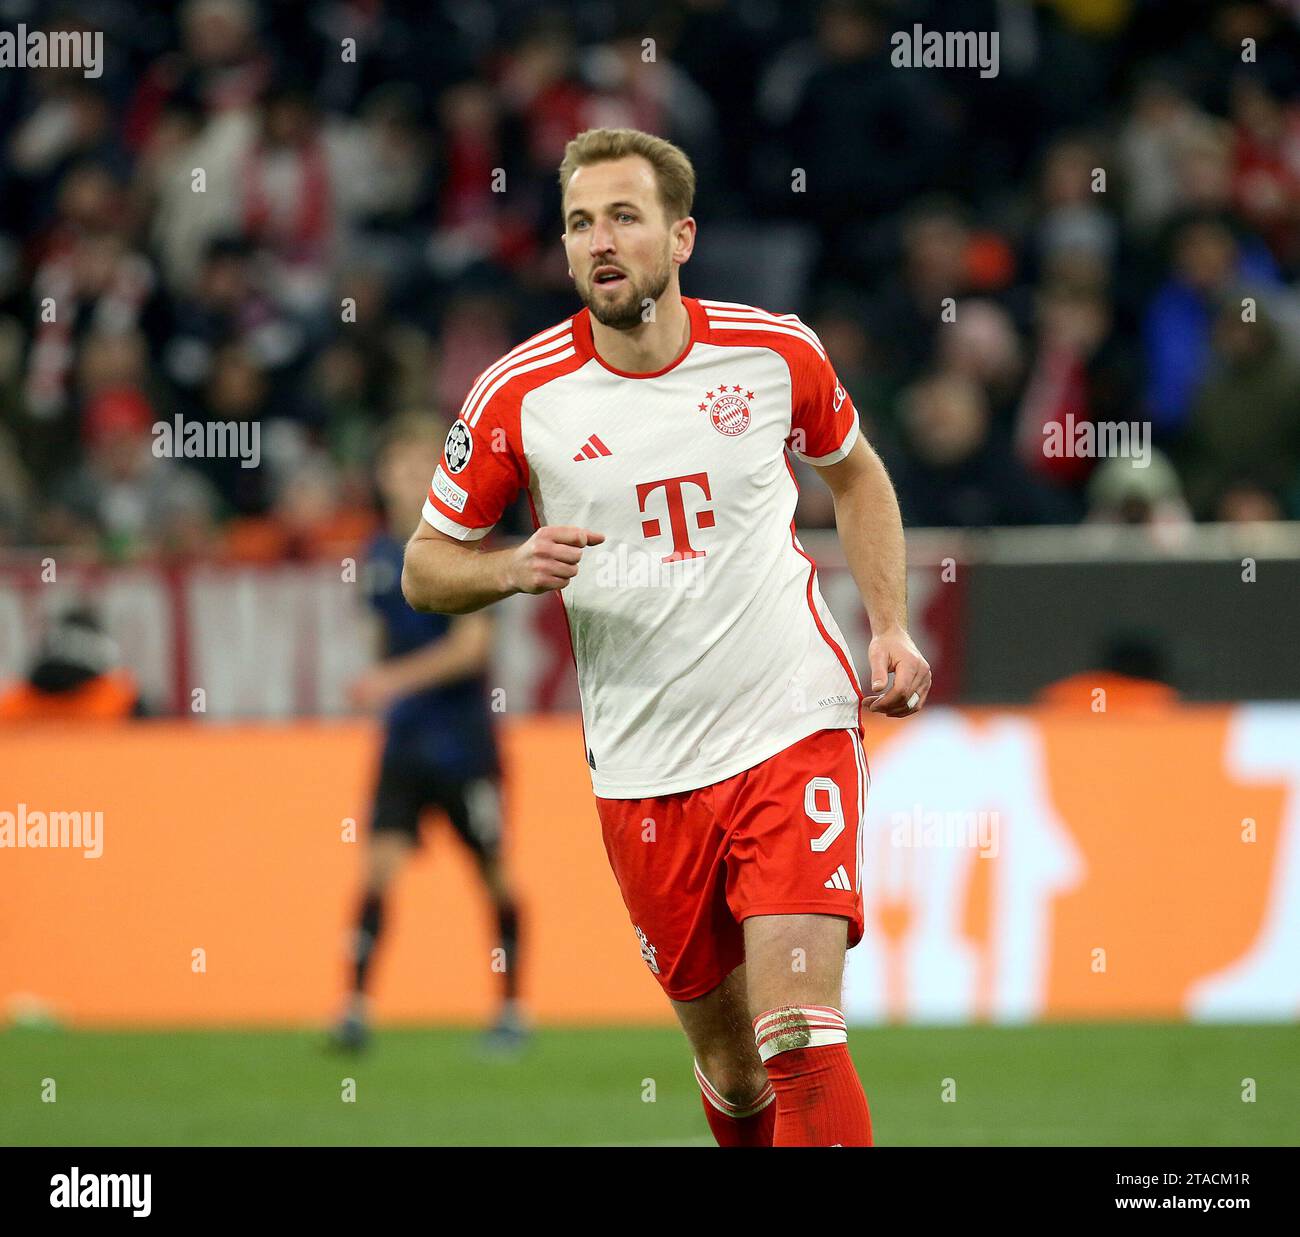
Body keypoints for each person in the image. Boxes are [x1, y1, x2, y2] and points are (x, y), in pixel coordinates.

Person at [400, 128, 931, 1146]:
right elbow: (426, 564)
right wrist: (509, 565)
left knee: (798, 1029)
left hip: (791, 721)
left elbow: (856, 472)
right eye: (579, 223)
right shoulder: (520, 396)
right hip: (643, 768)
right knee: (733, 1075)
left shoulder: (773, 352)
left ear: (680, 236)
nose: (600, 241)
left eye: (624, 217)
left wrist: (891, 626)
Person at [332, 416, 526, 1054]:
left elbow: (473, 649)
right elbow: (379, 637)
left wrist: (390, 681)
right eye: (400, 466)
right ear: (383, 476)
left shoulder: (465, 548)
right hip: (405, 743)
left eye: (424, 466)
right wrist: (384, 685)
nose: (410, 477)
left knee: (493, 874)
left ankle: (510, 1010)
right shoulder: (376, 557)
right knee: (377, 870)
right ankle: (355, 1009)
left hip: (465, 743)